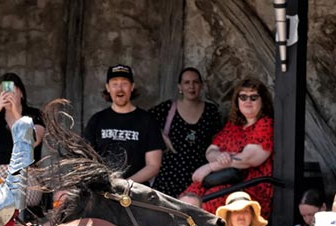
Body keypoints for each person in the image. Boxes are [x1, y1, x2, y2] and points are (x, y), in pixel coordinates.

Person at [182, 77, 274, 218]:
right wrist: (220, 156)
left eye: (253, 97)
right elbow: (210, 151)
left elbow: (248, 159)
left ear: (263, 101)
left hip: (249, 188)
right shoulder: (233, 126)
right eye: (243, 97)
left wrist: (211, 167)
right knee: (185, 201)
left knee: (208, 204)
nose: (248, 101)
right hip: (223, 181)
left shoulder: (265, 124)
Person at [82, 64, 164, 183]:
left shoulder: (147, 120)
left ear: (132, 87)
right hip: (102, 189)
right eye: (115, 84)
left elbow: (153, 166)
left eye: (124, 83)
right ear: (108, 88)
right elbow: (85, 159)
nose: (119, 89)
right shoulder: (97, 120)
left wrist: (125, 184)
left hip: (135, 190)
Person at [150, 67, 221, 199]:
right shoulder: (167, 108)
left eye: (195, 82)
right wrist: (162, 138)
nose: (191, 86)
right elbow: (145, 122)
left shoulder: (211, 111)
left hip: (199, 176)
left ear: (201, 85)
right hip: (169, 177)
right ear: (180, 87)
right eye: (187, 82)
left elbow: (219, 139)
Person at [0, 73, 45, 169]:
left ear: (21, 93)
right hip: (3, 170)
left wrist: (16, 113)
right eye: (3, 93)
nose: (8, 96)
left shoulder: (34, 114)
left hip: (28, 170)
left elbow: (34, 141)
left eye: (11, 92)